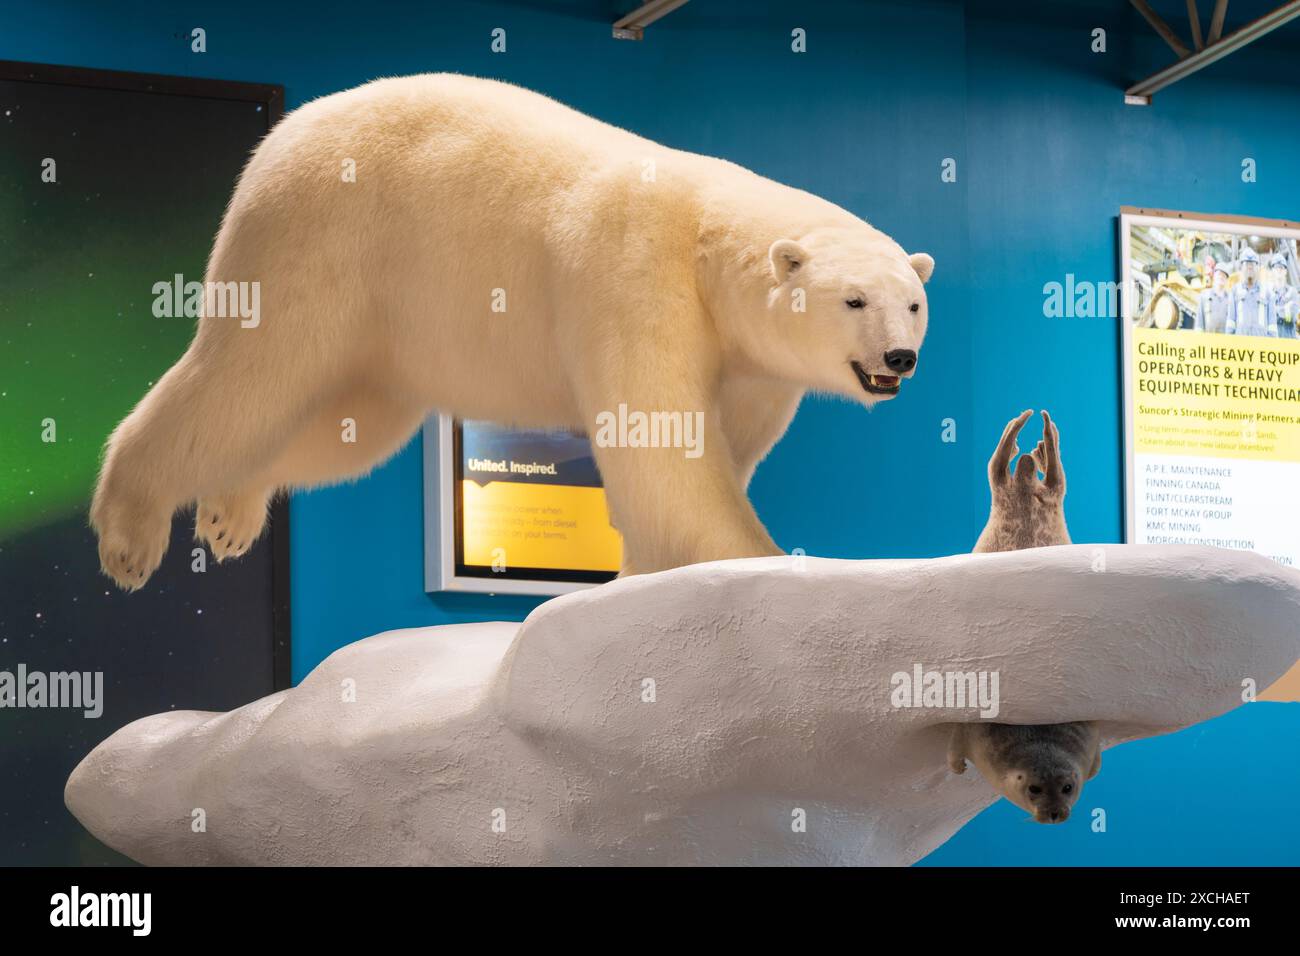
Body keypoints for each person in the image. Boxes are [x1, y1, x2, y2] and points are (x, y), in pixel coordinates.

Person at [1227, 248, 1277, 337]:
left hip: (1261, 347)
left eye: (1253, 264)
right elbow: (1230, 323)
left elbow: (1272, 327)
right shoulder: (1234, 291)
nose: (1250, 267)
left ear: (1258, 267)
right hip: (1240, 347)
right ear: (1241, 267)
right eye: (1246, 264)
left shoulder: (1268, 293)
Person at [1266, 252, 1298, 340]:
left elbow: (1290, 317)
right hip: (1272, 340)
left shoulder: (1292, 292)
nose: (1279, 270)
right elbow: (1264, 316)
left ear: (1285, 271)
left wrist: (1273, 309)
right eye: (1276, 267)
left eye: (1282, 267)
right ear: (1272, 270)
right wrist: (1285, 308)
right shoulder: (1267, 293)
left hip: (1288, 339)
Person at [1194, 263, 1232, 334]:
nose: (1221, 277)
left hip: (1225, 342)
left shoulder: (1230, 299)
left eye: (1224, 276)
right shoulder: (1204, 296)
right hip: (1208, 341)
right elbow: (1199, 322)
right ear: (1214, 276)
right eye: (1219, 274)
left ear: (1226, 280)